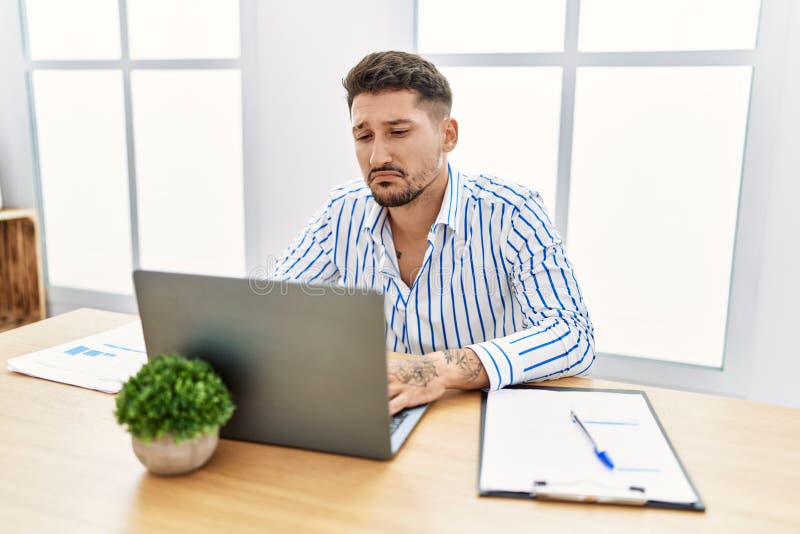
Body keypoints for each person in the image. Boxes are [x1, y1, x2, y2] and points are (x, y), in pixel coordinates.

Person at [272, 51, 594, 415]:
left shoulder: (511, 211)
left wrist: (436, 369)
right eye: (364, 136)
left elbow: (572, 335)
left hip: (473, 416)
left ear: (448, 135)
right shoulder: (342, 210)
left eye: (398, 132)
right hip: (381, 411)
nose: (378, 157)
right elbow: (270, 310)